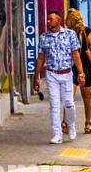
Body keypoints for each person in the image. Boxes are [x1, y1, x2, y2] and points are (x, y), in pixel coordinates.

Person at [32, 11, 86, 144]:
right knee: (54, 105)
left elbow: (75, 55)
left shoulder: (70, 35)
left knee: (69, 104)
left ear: (58, 21)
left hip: (67, 74)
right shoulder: (44, 37)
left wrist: (80, 73)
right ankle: (57, 134)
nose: (48, 22)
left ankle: (71, 125)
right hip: (51, 75)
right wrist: (36, 77)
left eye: (51, 19)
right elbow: (40, 58)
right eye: (48, 19)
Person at [64, 8, 91, 135]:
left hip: (87, 66)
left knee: (86, 94)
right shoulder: (67, 33)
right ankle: (66, 121)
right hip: (72, 67)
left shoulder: (86, 31)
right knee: (68, 96)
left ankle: (88, 121)